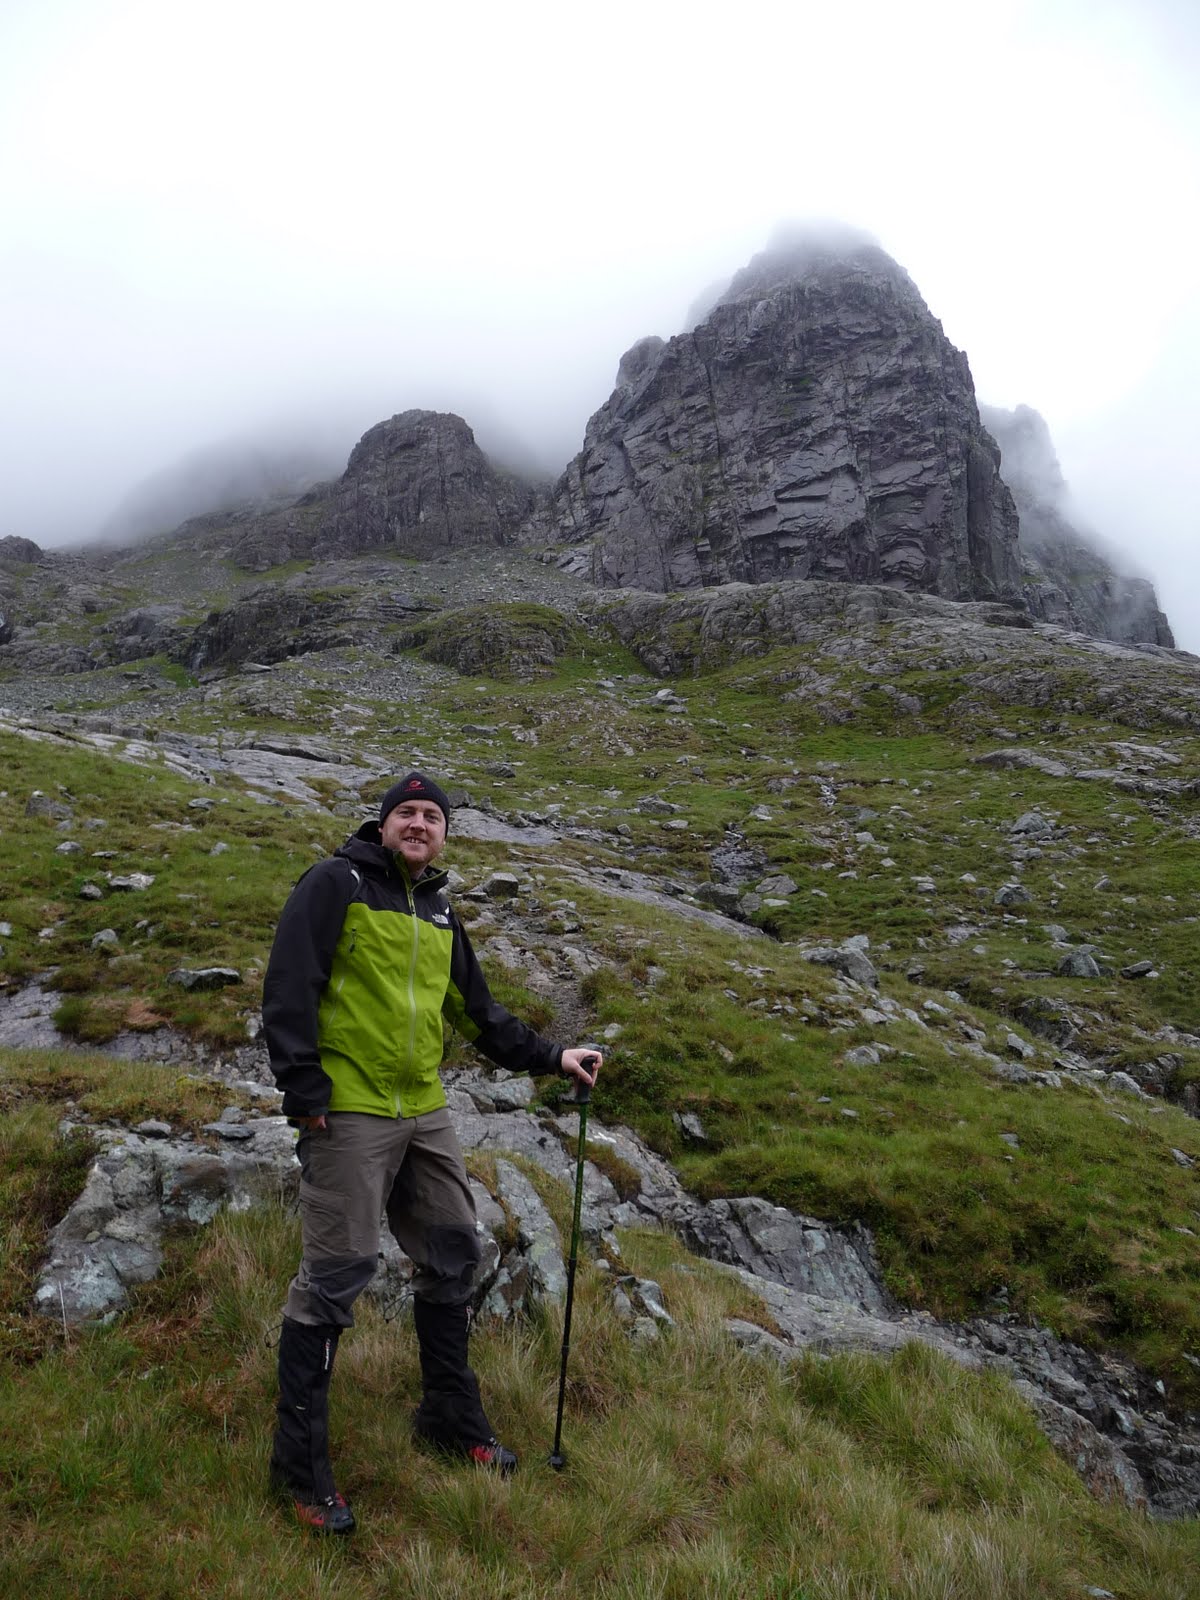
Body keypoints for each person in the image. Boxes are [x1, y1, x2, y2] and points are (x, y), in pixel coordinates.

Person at [261, 771, 601, 1535]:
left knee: (455, 1251)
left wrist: (553, 1057)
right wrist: (304, 1092)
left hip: (424, 1110)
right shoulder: (335, 883)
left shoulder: (441, 910)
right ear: (383, 824)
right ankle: (300, 1473)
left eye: (432, 816)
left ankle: (449, 1419)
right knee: (335, 1277)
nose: (419, 825)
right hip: (346, 1111)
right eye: (407, 813)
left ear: (444, 833)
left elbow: (476, 1012)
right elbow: (289, 985)